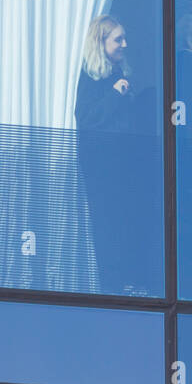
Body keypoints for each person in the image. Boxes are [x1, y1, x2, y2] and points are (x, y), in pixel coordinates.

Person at [74, 15, 135, 291]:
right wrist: (114, 94)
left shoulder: (118, 75)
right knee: (106, 223)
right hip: (100, 165)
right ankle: (109, 284)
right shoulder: (89, 77)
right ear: (101, 42)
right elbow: (86, 118)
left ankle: (121, 280)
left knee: (122, 222)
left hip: (121, 165)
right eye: (118, 39)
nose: (125, 44)